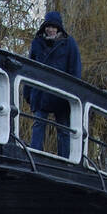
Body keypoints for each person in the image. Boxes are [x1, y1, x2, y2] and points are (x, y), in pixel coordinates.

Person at [25, 10, 82, 158]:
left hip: (61, 93)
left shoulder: (69, 44)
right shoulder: (37, 43)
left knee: (63, 129)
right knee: (38, 124)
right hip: (40, 91)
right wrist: (27, 93)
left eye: (53, 27)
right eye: (48, 26)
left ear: (59, 28)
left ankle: (65, 159)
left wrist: (73, 95)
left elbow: (75, 70)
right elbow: (29, 69)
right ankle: (34, 155)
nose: (50, 29)